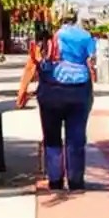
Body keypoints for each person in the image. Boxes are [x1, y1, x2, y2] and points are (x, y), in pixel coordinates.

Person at [16, 12, 97, 191]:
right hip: (79, 91)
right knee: (76, 139)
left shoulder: (50, 37)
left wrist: (22, 92)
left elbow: (32, 64)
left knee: (52, 138)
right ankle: (76, 181)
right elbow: (91, 63)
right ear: (76, 20)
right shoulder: (86, 37)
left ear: (59, 21)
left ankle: (55, 180)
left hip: (50, 92)